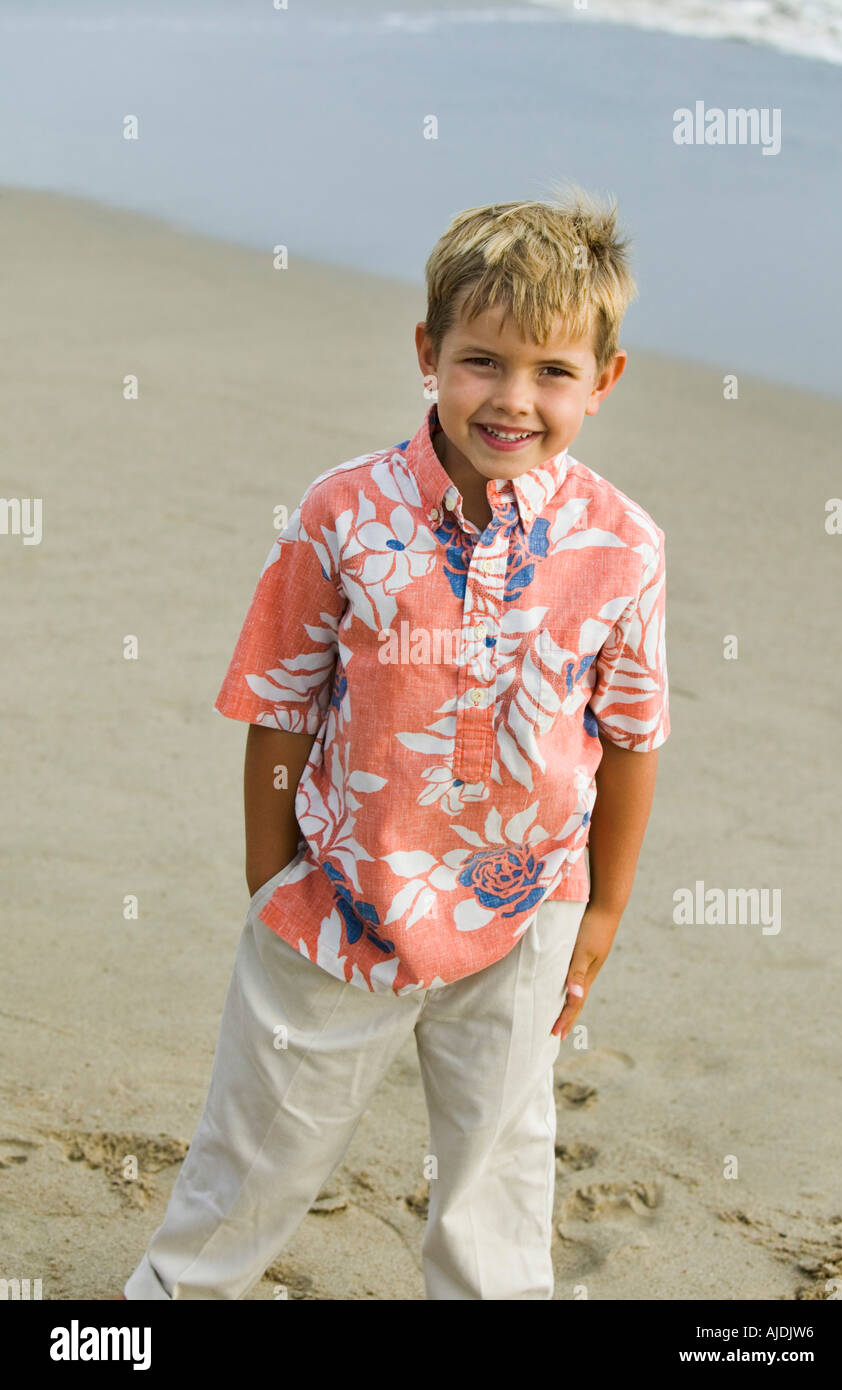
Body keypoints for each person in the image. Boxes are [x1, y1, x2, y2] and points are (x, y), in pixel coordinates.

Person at [120, 186, 670, 1301]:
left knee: (498, 1182)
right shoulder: (342, 512)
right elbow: (281, 699)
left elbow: (631, 735)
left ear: (602, 381)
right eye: (482, 362)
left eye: (553, 372)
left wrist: (602, 906)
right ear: (428, 352)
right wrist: (272, 869)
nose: (513, 400)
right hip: (342, 899)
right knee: (256, 1158)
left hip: (528, 912)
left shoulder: (623, 546)